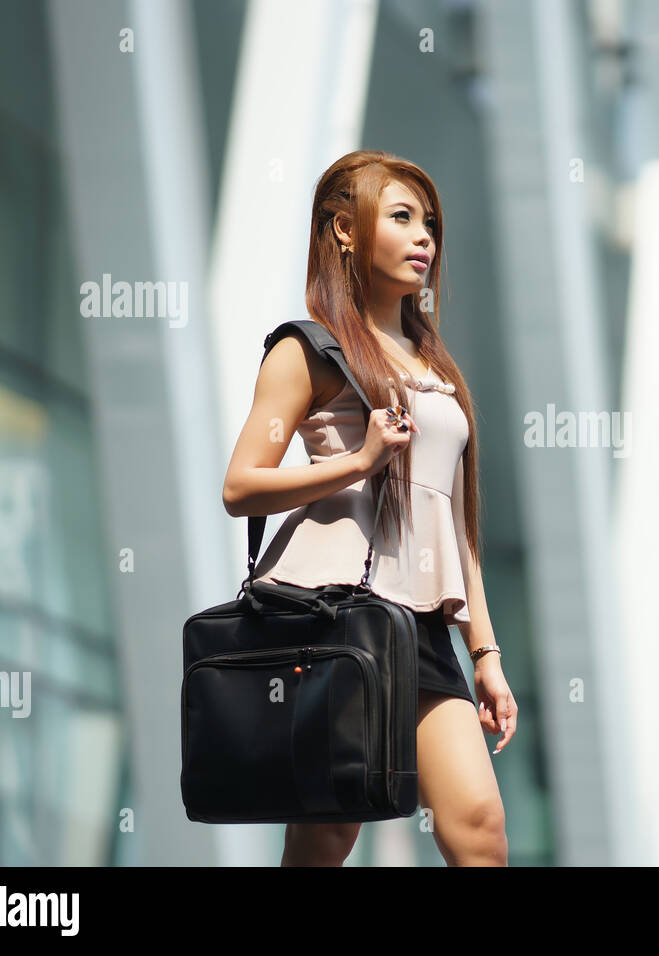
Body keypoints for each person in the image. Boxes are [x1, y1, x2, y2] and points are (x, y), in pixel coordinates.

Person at [221, 150, 514, 866]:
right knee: (328, 831)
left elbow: (454, 522)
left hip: (422, 629)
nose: (426, 239)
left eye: (431, 224)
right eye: (403, 217)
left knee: (479, 827)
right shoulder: (306, 351)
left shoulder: (435, 364)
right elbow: (240, 486)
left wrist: (486, 652)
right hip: (335, 615)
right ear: (344, 231)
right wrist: (356, 463)